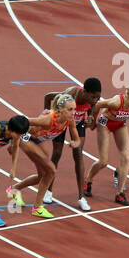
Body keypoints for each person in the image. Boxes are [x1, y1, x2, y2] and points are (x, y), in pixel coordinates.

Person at [48, 78, 102, 210]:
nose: (95, 100)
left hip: (77, 123)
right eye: (93, 96)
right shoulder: (70, 95)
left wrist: (90, 118)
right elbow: (48, 96)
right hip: (62, 122)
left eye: (98, 97)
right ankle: (48, 191)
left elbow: (92, 111)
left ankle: (81, 197)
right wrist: (47, 113)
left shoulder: (93, 101)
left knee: (78, 154)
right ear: (84, 92)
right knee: (57, 153)